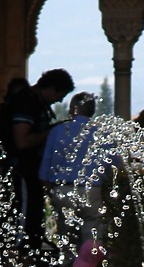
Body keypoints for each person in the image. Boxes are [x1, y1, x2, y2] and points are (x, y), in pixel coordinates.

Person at [10, 68, 74, 250]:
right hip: (22, 172)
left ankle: (31, 257)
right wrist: (52, 131)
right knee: (24, 223)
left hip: (32, 173)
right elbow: (21, 141)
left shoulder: (36, 103)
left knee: (34, 220)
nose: (60, 101)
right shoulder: (27, 102)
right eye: (60, 95)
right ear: (52, 89)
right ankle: (21, 260)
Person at [38, 91, 109, 255]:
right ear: (92, 111)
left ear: (72, 110)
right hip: (91, 191)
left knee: (67, 241)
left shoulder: (58, 131)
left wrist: (50, 189)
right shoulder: (101, 133)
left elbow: (46, 165)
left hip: (63, 190)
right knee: (92, 241)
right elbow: (110, 165)